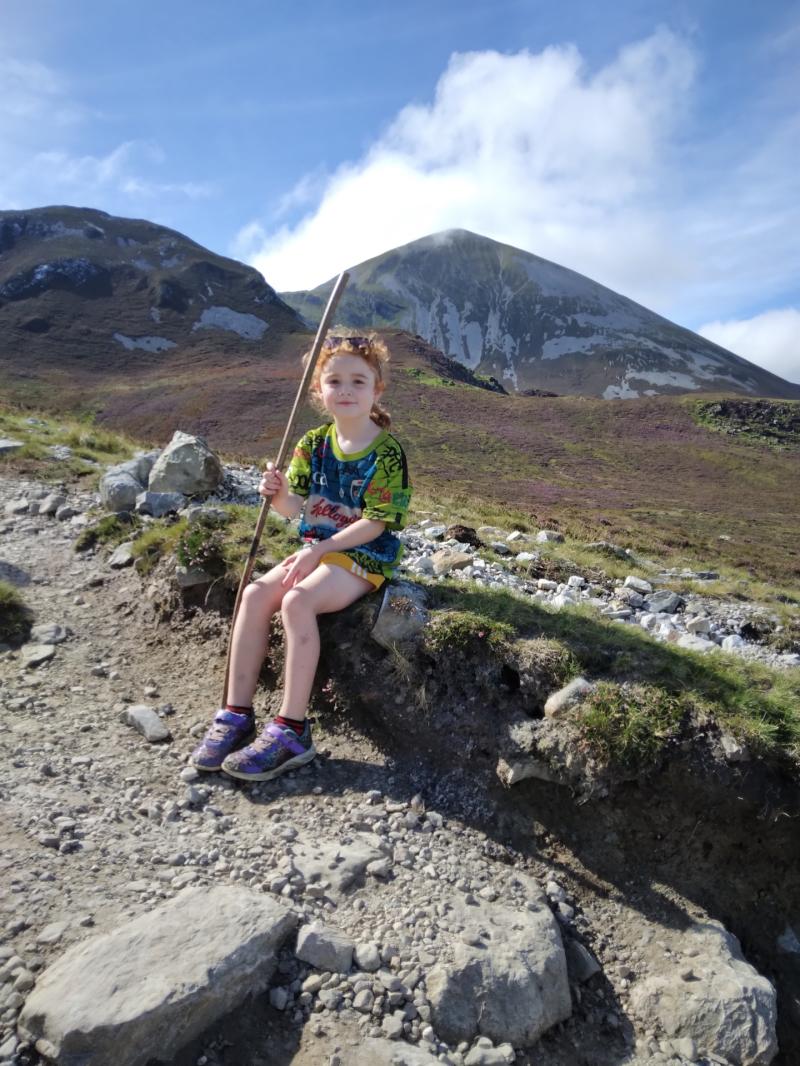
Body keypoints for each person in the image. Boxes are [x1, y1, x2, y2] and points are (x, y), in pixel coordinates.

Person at [191, 334, 411, 782]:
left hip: (363, 557)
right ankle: (236, 713)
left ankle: (292, 730)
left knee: (296, 602)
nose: (345, 391)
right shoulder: (313, 444)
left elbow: (378, 523)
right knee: (254, 594)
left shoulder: (387, 452)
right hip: (317, 550)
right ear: (319, 391)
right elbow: (299, 511)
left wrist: (323, 549)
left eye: (357, 381)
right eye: (334, 381)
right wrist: (277, 496)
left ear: (377, 388)